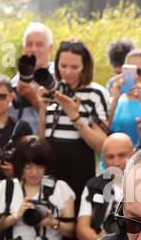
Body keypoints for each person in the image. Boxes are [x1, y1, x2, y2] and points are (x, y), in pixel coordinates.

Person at [39, 37, 108, 202]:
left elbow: (102, 145)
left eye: (74, 67)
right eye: (63, 66)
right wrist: (41, 108)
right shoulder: (50, 90)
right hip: (50, 167)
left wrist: (74, 116)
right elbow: (41, 139)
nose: (68, 72)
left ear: (85, 67)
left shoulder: (95, 93)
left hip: (80, 168)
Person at [76, 131, 134, 240]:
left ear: (134, 154)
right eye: (110, 157)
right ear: (103, 159)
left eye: (122, 155)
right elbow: (81, 228)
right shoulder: (94, 185)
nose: (116, 163)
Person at [106, 48, 141, 147]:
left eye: (139, 71)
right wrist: (115, 99)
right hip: (113, 160)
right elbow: (103, 131)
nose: (134, 76)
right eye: (129, 70)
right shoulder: (114, 100)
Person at [12, 21, 52, 133]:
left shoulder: (59, 77)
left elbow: (62, 119)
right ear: (23, 48)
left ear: (50, 48)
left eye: (39, 45)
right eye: (29, 45)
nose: (34, 49)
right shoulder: (15, 81)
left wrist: (32, 97)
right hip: (21, 145)